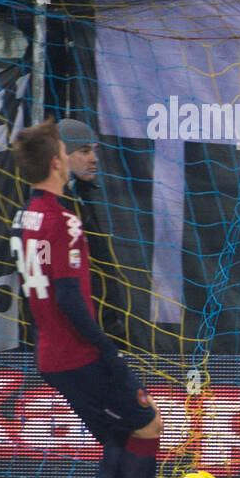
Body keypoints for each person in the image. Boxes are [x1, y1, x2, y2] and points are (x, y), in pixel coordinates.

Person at [10, 119, 171, 478]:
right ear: (58, 161)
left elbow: (33, 291)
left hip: (51, 351)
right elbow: (69, 297)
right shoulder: (64, 221)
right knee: (149, 424)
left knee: (118, 436)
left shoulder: (22, 216)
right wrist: (107, 351)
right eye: (72, 150)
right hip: (77, 352)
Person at [59, 119, 135, 350]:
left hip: (101, 327)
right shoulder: (55, 209)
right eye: (84, 151)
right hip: (77, 337)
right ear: (61, 155)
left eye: (95, 150)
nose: (94, 158)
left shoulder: (81, 200)